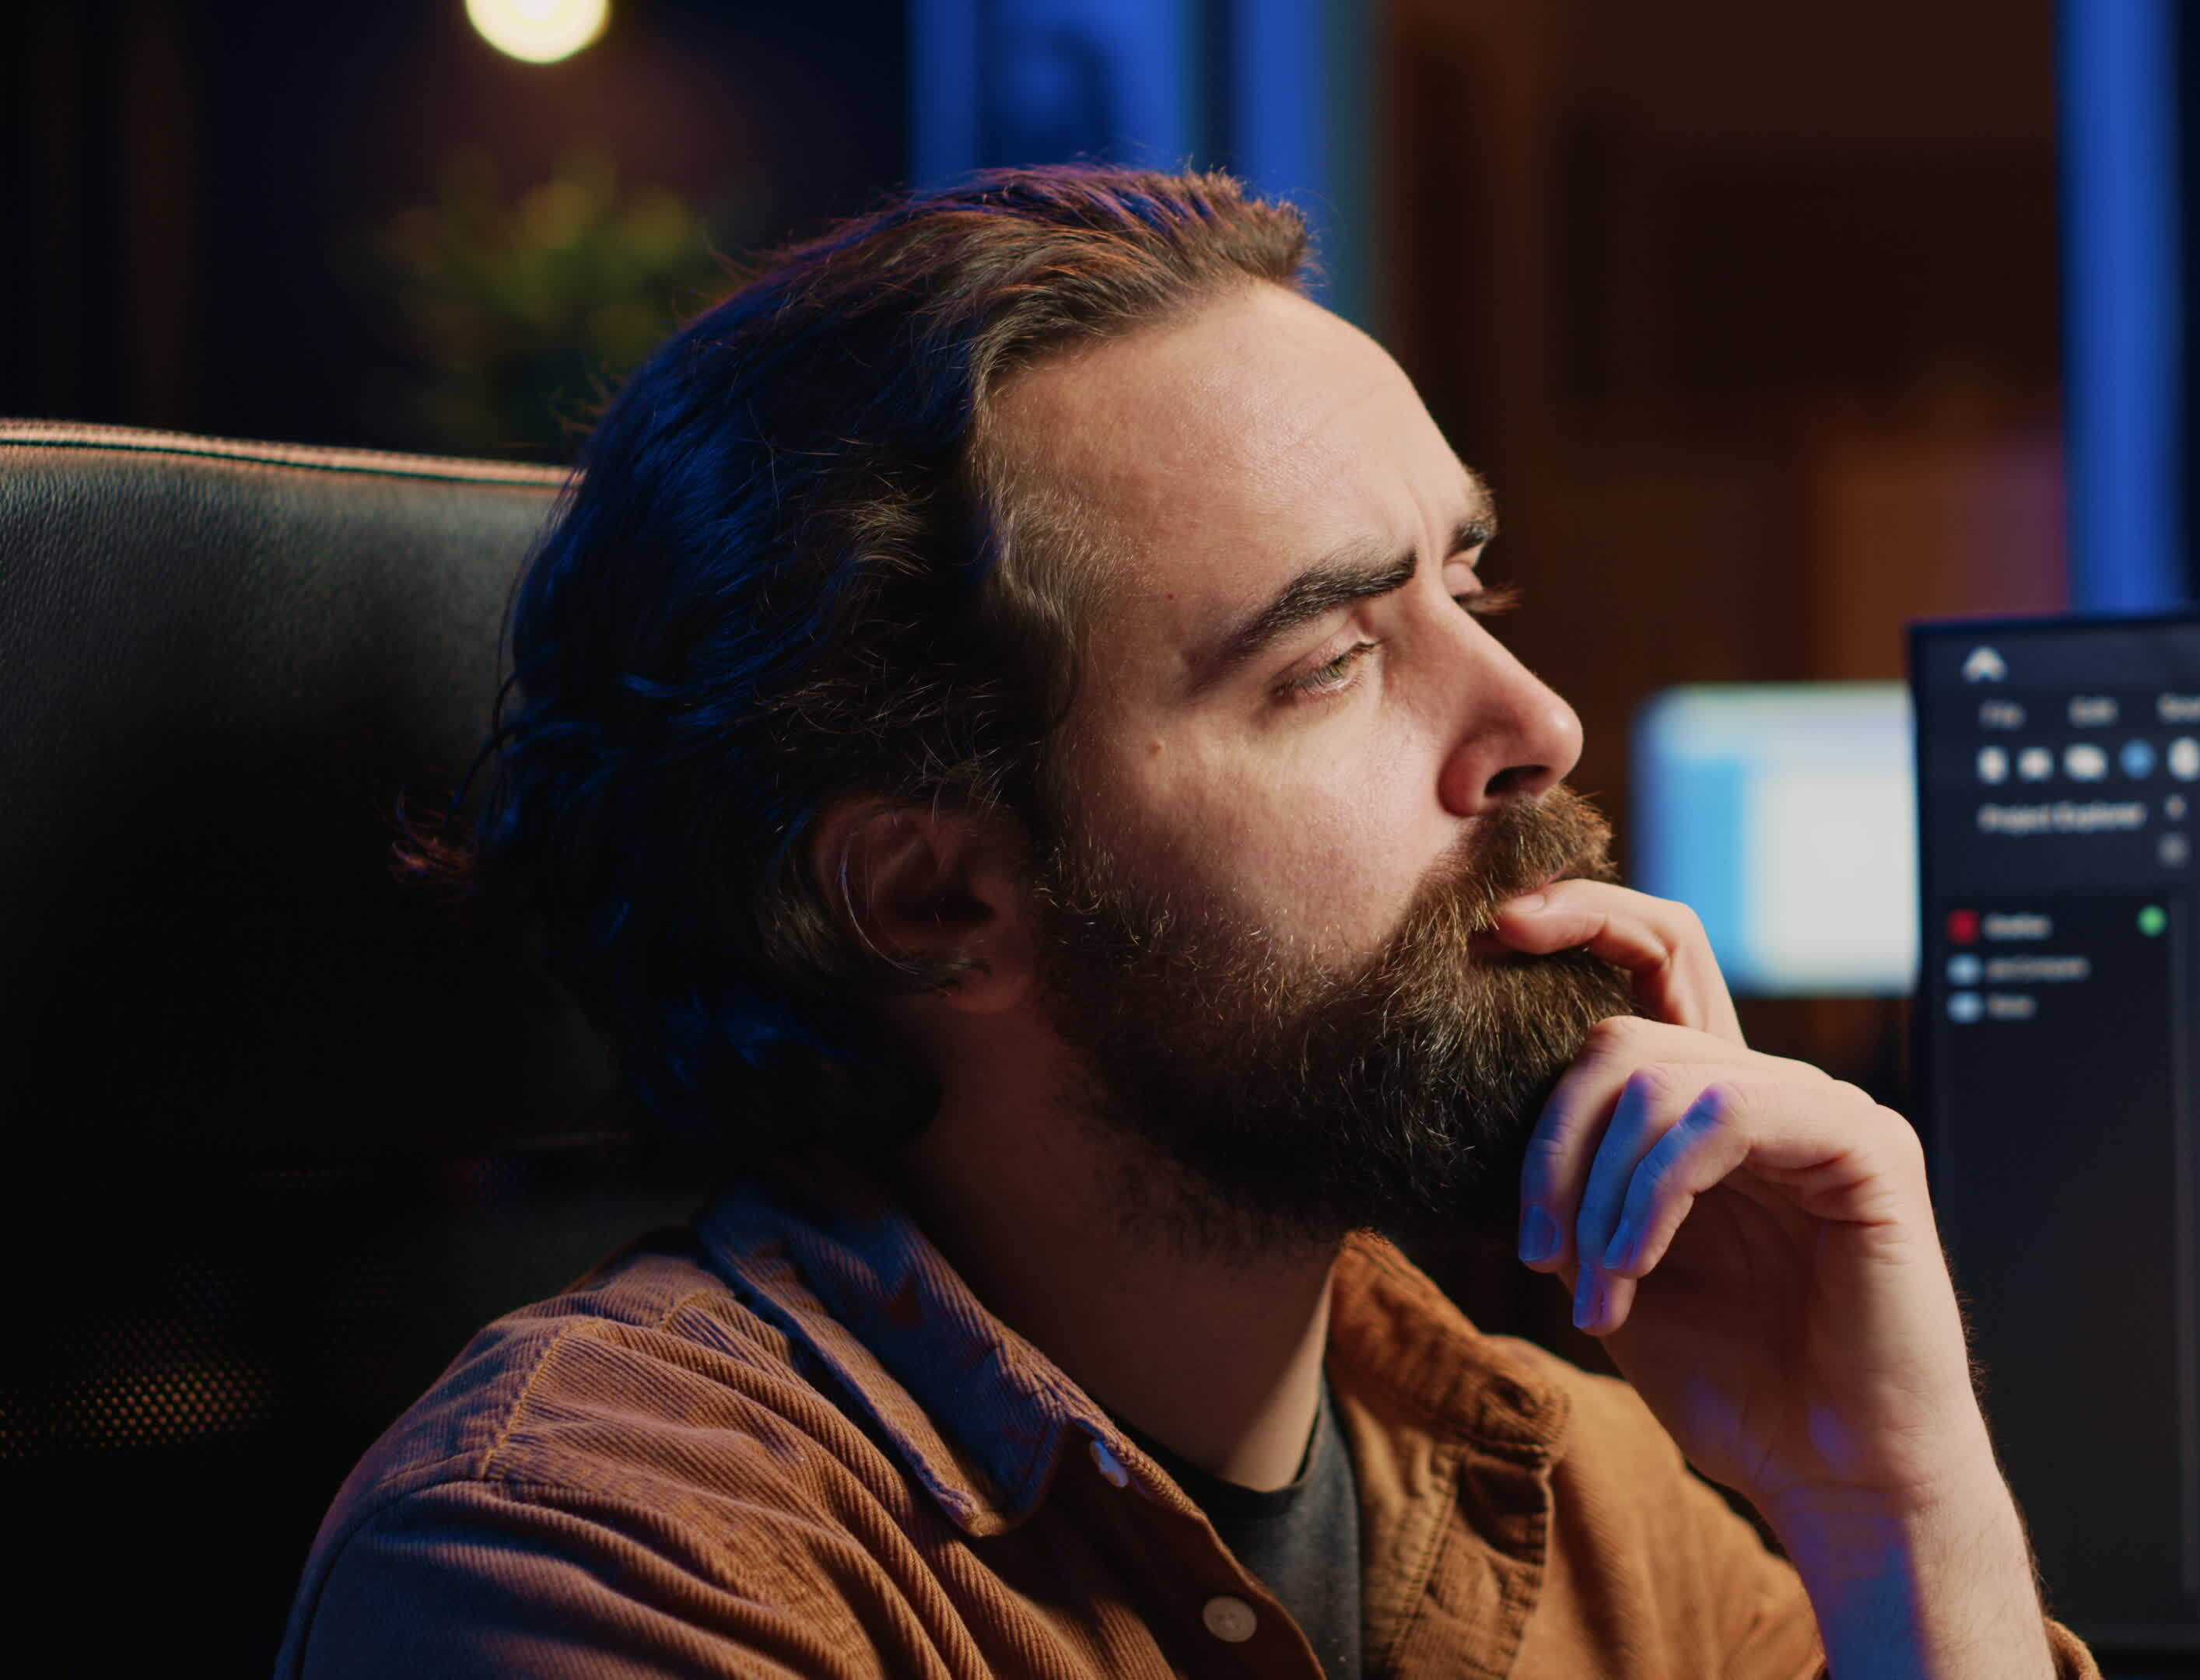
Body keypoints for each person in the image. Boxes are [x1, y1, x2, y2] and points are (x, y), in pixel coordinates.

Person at [279, 167, 2097, 1680]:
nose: (1535, 719)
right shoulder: (590, 1560)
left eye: (1472, 584)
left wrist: (1886, 1496)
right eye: (1326, 664)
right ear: (936, 898)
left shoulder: (1574, 1482)